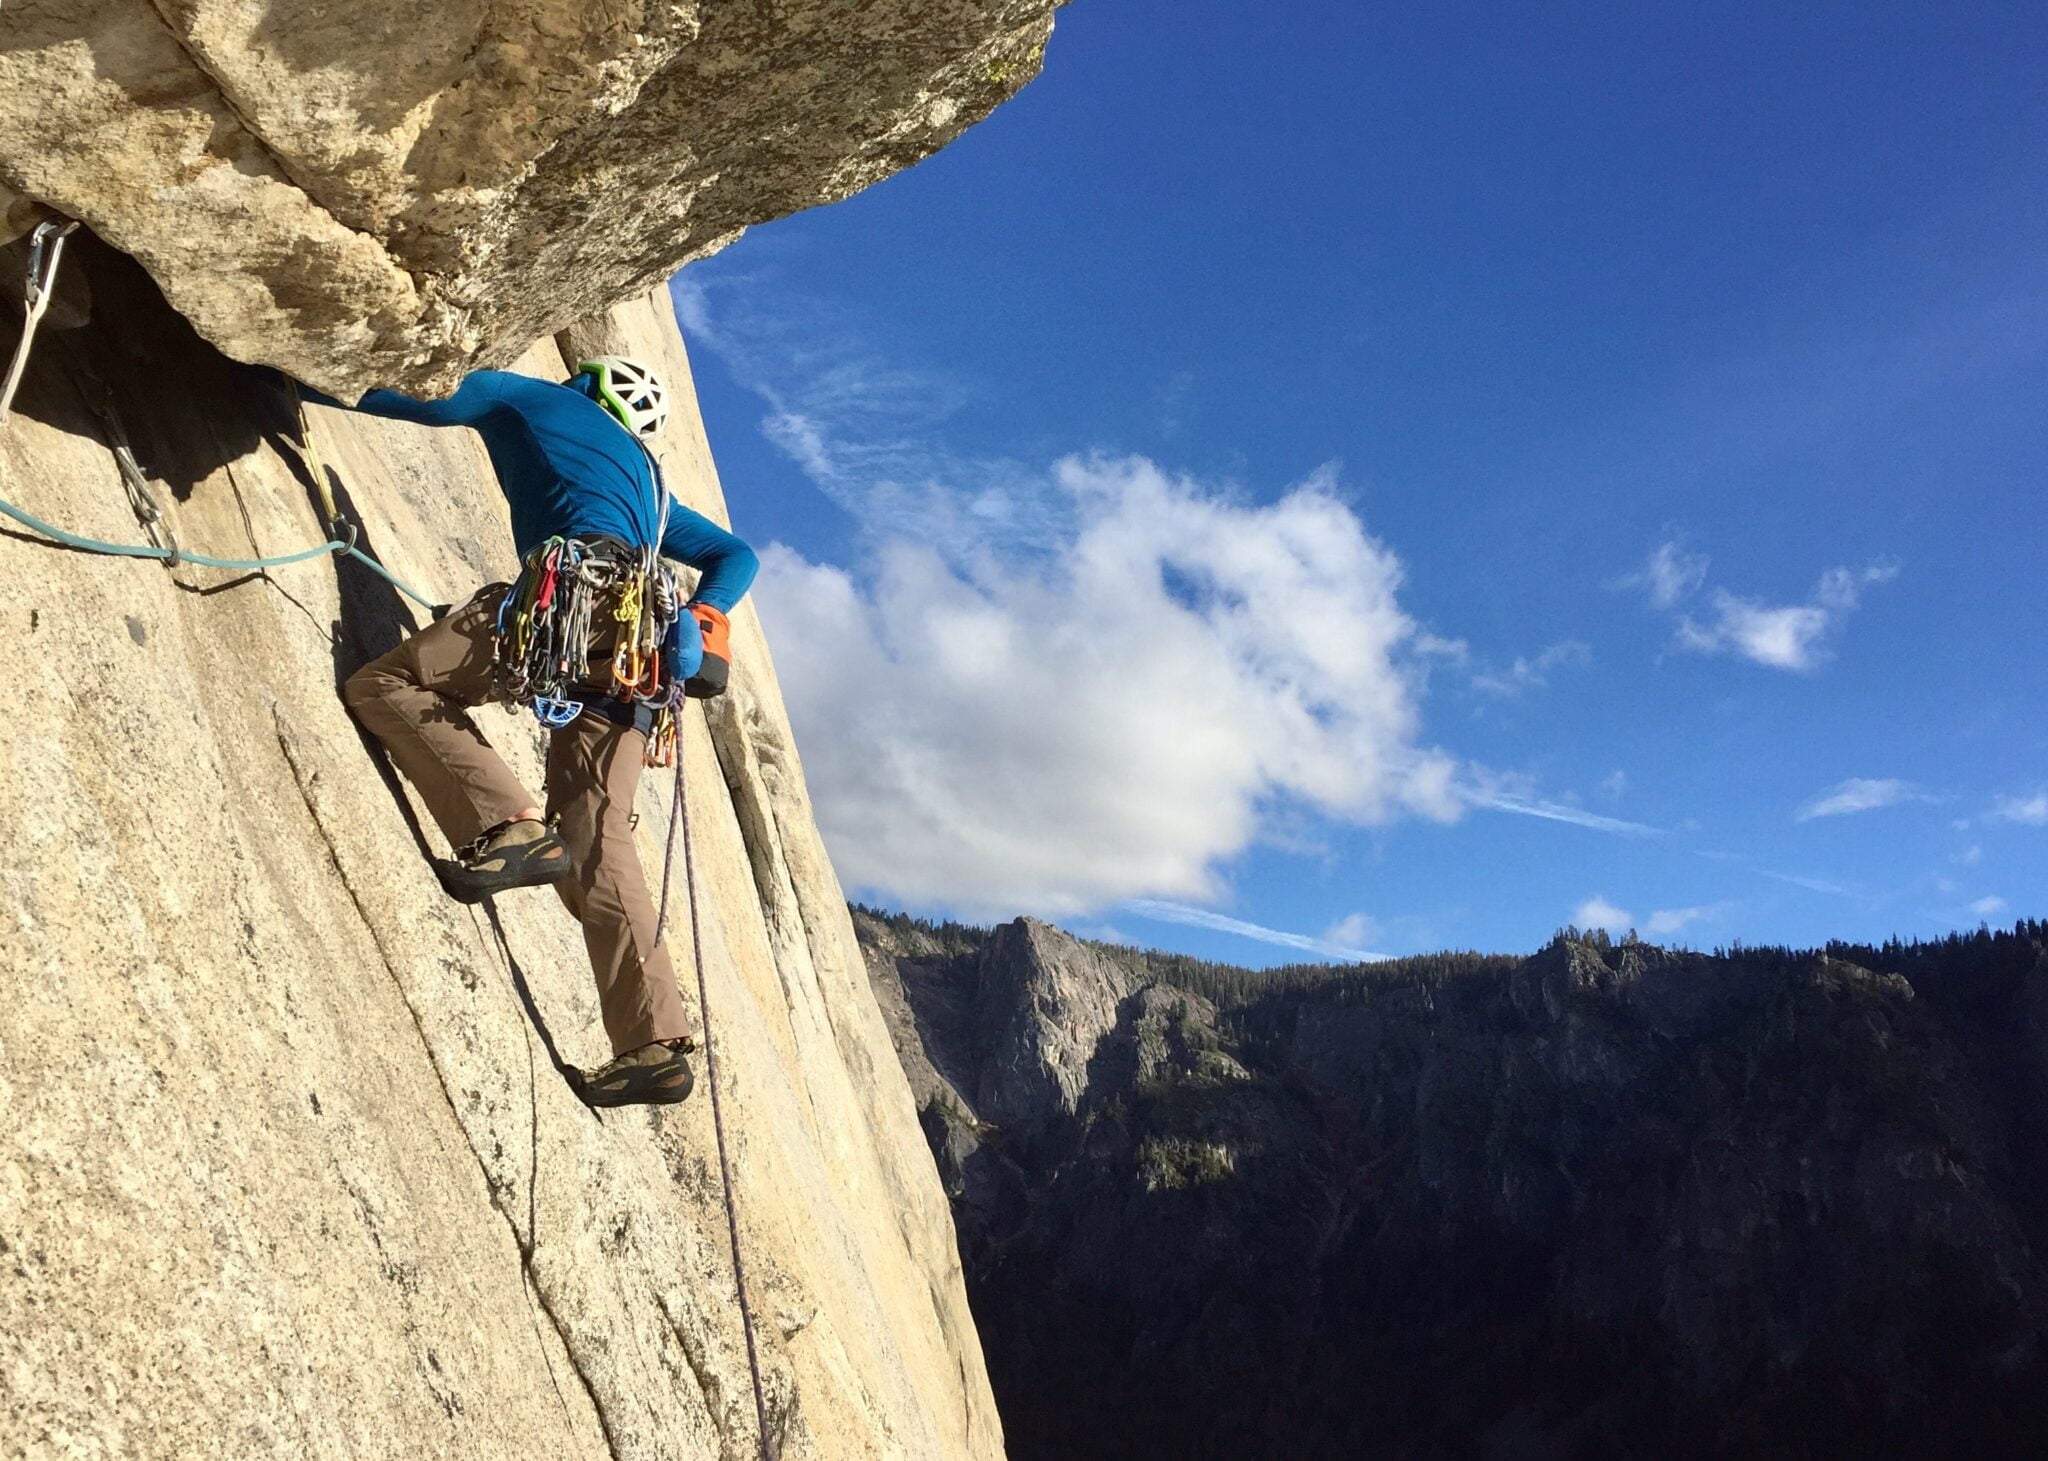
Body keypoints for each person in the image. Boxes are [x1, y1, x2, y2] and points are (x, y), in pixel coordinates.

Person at [303, 357, 757, 1108]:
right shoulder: (652, 490)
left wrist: (288, 379)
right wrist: (703, 614)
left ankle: (506, 824)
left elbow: (425, 399)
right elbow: (736, 554)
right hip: (638, 654)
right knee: (596, 844)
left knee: (387, 684)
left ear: (588, 385)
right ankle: (652, 1045)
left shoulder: (533, 398)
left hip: (569, 602)